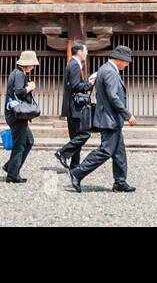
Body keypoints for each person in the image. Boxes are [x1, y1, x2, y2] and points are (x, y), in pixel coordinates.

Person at [69, 45, 137, 193]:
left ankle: (120, 181)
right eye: (126, 62)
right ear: (120, 59)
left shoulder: (105, 69)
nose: (126, 65)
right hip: (110, 118)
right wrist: (127, 114)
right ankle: (77, 173)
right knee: (106, 150)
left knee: (119, 151)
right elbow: (113, 97)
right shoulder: (110, 72)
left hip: (110, 118)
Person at [55, 41, 94, 170]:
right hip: (75, 107)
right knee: (84, 134)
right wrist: (90, 84)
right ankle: (63, 152)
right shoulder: (75, 65)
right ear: (79, 52)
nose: (87, 53)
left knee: (75, 137)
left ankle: (74, 165)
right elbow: (76, 86)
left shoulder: (72, 64)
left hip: (71, 106)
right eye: (86, 51)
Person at [3, 50, 39, 183]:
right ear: (27, 64)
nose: (33, 67)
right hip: (17, 115)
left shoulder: (17, 73)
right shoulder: (19, 75)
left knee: (29, 141)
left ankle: (11, 166)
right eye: (32, 64)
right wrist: (30, 87)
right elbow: (19, 92)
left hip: (15, 115)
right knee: (20, 145)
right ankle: (12, 175)